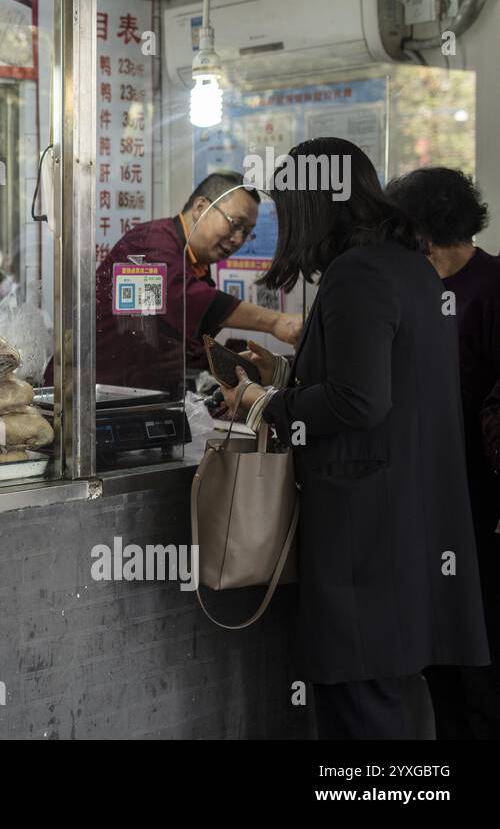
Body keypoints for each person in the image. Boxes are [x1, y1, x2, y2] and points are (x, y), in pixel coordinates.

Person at [220, 138, 490, 739]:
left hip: (365, 535)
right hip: (402, 525)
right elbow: (378, 384)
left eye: (288, 209)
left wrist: (265, 403)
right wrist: (289, 376)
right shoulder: (408, 266)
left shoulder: (357, 274)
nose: (284, 225)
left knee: (361, 711)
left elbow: (359, 401)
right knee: (383, 705)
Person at [386, 166, 500, 738]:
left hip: (482, 508)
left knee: (481, 662)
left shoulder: (494, 286)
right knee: (440, 661)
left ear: (424, 230)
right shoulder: (413, 290)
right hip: (424, 503)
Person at [95, 171, 301, 396]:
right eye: (235, 224)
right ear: (200, 208)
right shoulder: (149, 242)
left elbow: (174, 332)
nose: (238, 240)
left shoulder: (194, 263)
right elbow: (185, 299)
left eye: (247, 233)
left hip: (138, 393)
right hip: (95, 394)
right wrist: (276, 322)